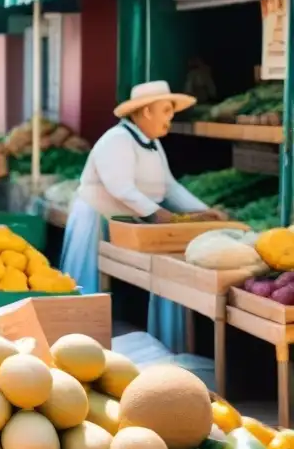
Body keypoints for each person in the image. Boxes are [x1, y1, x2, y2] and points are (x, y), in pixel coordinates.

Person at [60, 81, 227, 352]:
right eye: (166, 110)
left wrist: (203, 211)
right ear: (147, 112)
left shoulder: (153, 145)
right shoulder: (117, 140)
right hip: (97, 221)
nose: (170, 117)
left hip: (131, 223)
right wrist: (158, 214)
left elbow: (170, 186)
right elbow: (121, 188)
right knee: (86, 291)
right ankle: (78, 347)